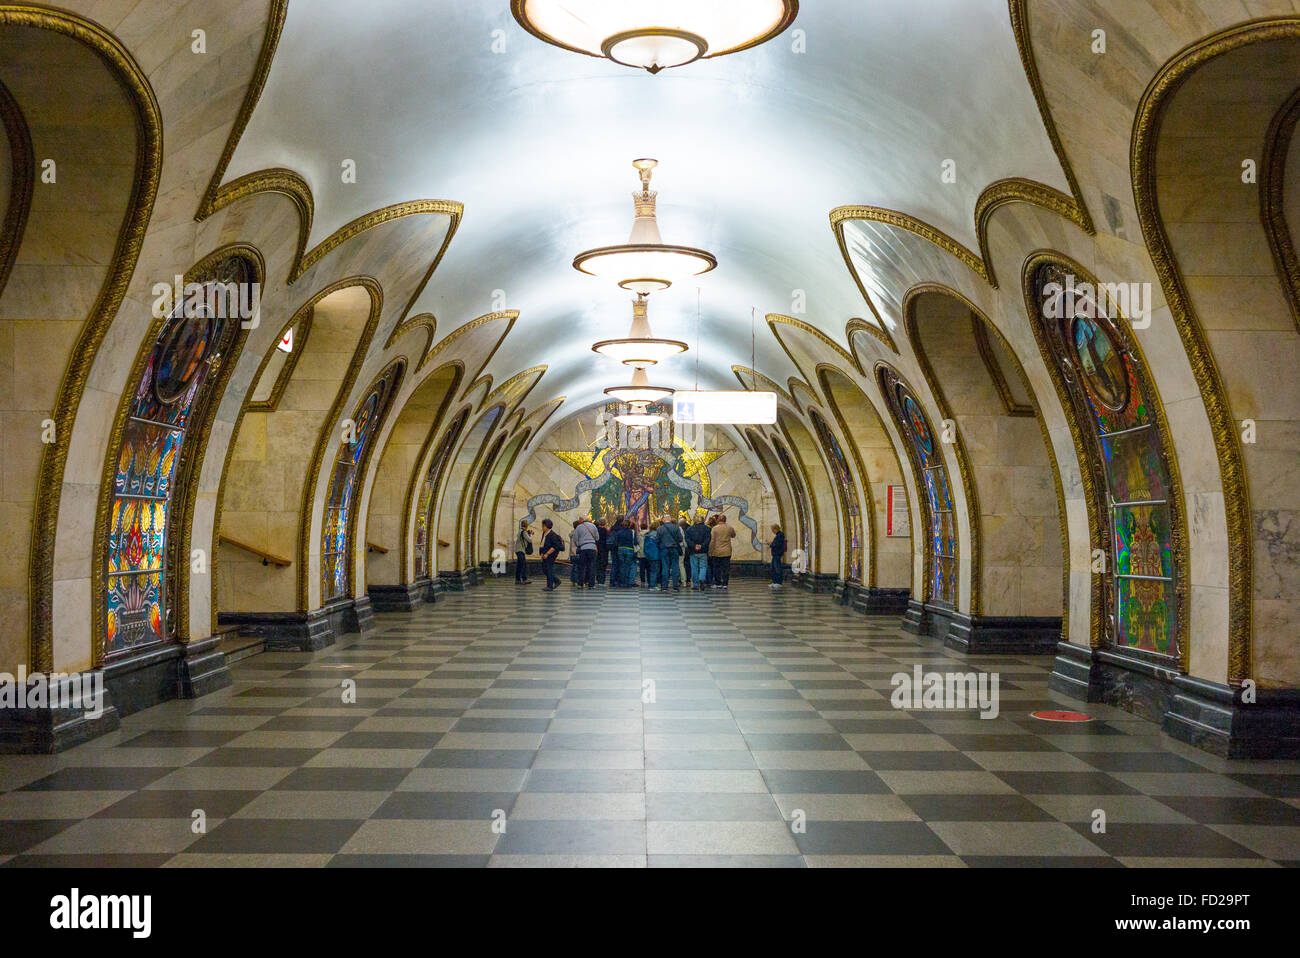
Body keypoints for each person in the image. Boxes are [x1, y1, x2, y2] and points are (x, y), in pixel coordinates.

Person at [655, 514, 685, 592]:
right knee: (675, 567)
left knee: (665, 567)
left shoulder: (660, 528)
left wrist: (661, 545)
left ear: (664, 520)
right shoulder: (676, 527)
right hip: (674, 549)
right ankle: (675, 586)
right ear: (670, 519)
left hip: (664, 549)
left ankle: (664, 587)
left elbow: (657, 540)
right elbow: (680, 538)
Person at [709, 512, 736, 591]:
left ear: (718, 520)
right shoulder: (730, 528)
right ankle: (725, 584)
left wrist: (710, 551)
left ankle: (718, 583)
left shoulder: (714, 528)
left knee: (716, 568)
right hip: (727, 551)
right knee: (726, 568)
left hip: (716, 551)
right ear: (725, 520)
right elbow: (733, 535)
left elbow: (712, 541)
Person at [572, 513, 599, 589]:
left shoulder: (579, 527)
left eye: (579, 519)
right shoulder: (593, 526)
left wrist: (578, 545)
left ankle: (580, 584)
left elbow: (575, 538)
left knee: (582, 566)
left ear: (582, 519)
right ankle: (591, 584)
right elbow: (597, 538)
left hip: (583, 548)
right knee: (592, 566)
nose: (579, 521)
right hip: (592, 548)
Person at [685, 513, 710, 590]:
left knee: (694, 568)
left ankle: (695, 585)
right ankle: (702, 579)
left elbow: (687, 539)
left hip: (693, 551)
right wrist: (701, 546)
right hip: (703, 551)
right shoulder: (707, 529)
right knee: (703, 567)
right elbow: (708, 539)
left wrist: (694, 546)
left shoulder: (689, 529)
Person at [539, 518, 564, 590]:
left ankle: (549, 586)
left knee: (549, 569)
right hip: (545, 555)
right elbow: (543, 544)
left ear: (546, 526)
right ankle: (556, 580)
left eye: (543, 526)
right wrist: (542, 553)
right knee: (545, 569)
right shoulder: (545, 534)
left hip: (551, 555)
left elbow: (555, 546)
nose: (542, 527)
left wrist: (547, 553)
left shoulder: (552, 535)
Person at [614, 518, 636, 587]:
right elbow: (635, 541)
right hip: (629, 549)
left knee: (621, 566)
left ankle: (622, 582)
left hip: (620, 549)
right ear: (629, 525)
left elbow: (616, 541)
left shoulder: (619, 532)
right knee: (628, 566)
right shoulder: (631, 532)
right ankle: (627, 582)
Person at [514, 518, 533, 584]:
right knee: (523, 565)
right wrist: (531, 534)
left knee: (519, 565)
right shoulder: (524, 532)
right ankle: (524, 579)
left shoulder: (520, 531)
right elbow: (530, 540)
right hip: (521, 550)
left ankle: (518, 579)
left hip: (518, 550)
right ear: (526, 525)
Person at [643, 519, 661, 590]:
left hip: (648, 554)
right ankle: (653, 585)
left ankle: (652, 584)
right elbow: (659, 544)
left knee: (651, 570)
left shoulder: (647, 534)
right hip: (655, 554)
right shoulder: (657, 534)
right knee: (655, 570)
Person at [769, 523, 787, 588]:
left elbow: (777, 545)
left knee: (777, 568)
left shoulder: (780, 535)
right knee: (773, 568)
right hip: (775, 555)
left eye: (772, 530)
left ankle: (779, 582)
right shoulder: (778, 535)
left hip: (777, 554)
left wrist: (771, 544)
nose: (772, 531)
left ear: (775, 529)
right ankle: (774, 582)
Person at [594, 517, 611, 586]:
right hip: (604, 550)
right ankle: (601, 581)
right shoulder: (606, 531)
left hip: (597, 549)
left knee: (597, 564)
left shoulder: (596, 530)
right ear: (605, 523)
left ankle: (597, 578)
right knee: (603, 565)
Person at [637, 523, 650, 587]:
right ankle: (649, 581)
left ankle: (642, 581)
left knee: (642, 568)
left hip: (641, 553)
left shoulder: (639, 534)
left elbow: (637, 543)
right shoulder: (649, 534)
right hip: (648, 553)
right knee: (649, 568)